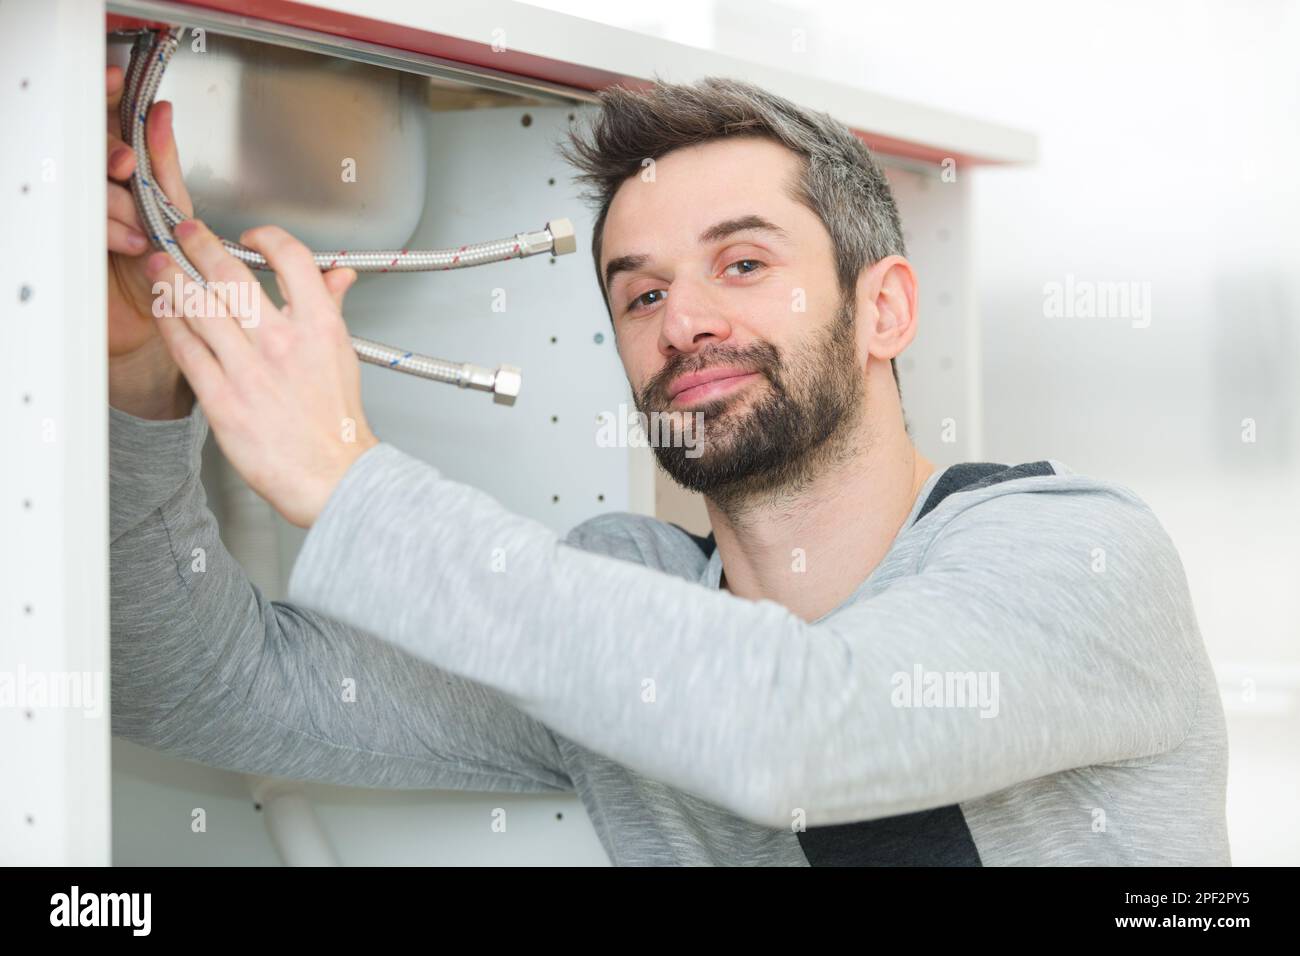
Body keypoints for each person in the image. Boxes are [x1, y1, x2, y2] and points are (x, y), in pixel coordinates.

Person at [106, 65, 1229, 866]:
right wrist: (143, 384)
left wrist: (347, 481)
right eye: (640, 292)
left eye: (741, 263)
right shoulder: (626, 616)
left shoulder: (1074, 554)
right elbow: (197, 684)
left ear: (882, 307)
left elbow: (799, 729)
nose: (682, 319)